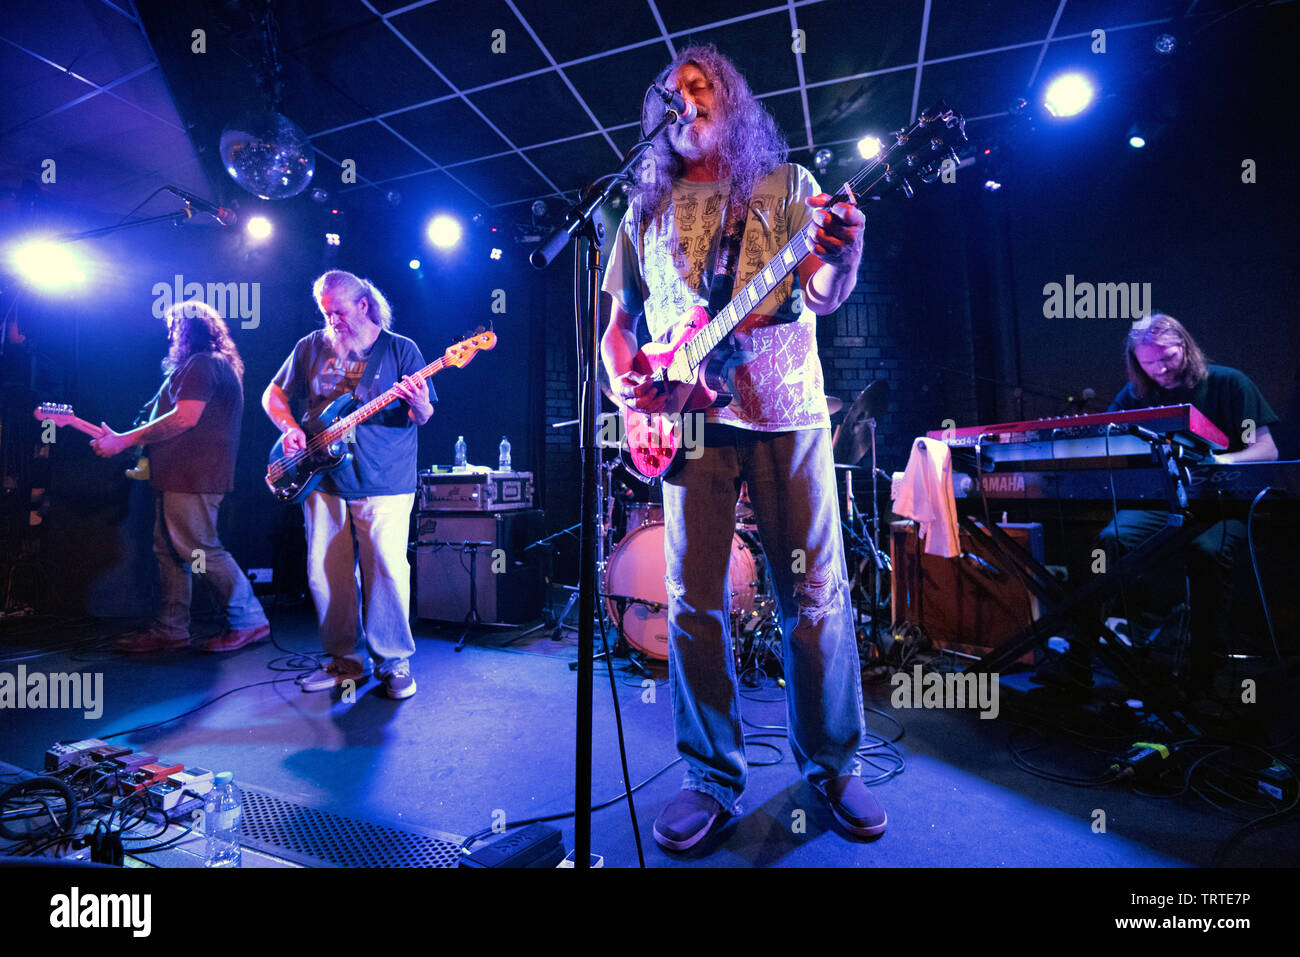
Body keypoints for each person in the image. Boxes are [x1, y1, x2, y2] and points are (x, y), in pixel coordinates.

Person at [600, 44, 882, 851]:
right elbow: (618, 332)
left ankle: (831, 764)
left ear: (731, 100)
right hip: (683, 420)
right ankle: (710, 775)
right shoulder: (641, 209)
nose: (682, 102)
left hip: (787, 410)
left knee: (815, 593)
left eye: (698, 88)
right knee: (693, 603)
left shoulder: (787, 186)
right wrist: (631, 391)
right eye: (669, 96)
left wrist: (845, 251)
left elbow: (822, 294)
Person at [1054, 314, 1279, 691]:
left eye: (1167, 357)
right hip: (1161, 502)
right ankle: (1080, 657)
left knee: (1207, 553)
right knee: (1111, 542)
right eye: (1149, 362)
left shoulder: (1228, 383)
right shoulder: (1135, 395)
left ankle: (1206, 675)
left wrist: (1219, 461)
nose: (1159, 369)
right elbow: (1113, 449)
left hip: (1222, 503)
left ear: (1185, 347)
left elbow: (1267, 449)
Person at [263, 270, 433, 700]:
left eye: (338, 311)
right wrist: (288, 429)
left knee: (387, 572)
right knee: (325, 574)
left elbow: (424, 415)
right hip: (321, 479)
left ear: (363, 305)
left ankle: (393, 662)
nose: (331, 320)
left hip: (385, 478)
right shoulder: (311, 347)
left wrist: (418, 402)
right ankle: (345, 662)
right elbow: (274, 395)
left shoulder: (401, 350)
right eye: (325, 312)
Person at [91, 300, 269, 653]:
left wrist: (125, 439)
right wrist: (126, 439)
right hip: (176, 476)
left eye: (175, 327)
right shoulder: (199, 366)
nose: (170, 334)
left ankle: (249, 620)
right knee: (171, 551)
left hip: (193, 477)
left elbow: (185, 418)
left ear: (189, 330)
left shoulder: (202, 364)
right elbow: (167, 423)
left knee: (199, 549)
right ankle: (171, 629)